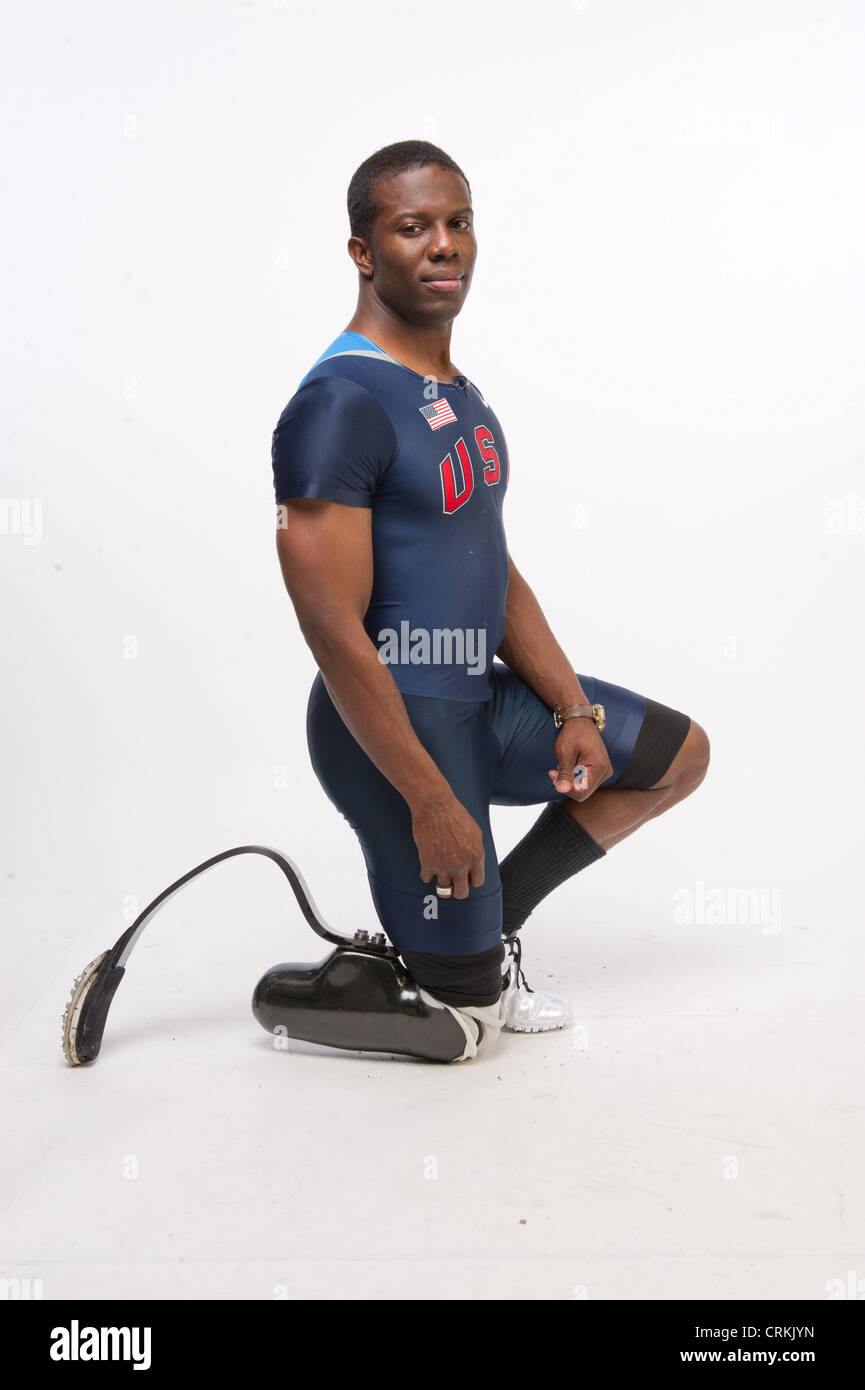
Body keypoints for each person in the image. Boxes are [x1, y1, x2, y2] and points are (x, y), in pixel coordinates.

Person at [269, 140, 710, 1062]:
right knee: (462, 1031)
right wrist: (428, 797)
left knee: (675, 757)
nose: (443, 246)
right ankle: (318, 992)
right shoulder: (339, 402)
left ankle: (483, 931)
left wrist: (569, 706)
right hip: (393, 717)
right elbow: (330, 631)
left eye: (457, 223)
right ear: (362, 252)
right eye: (412, 226)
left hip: (480, 696)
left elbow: (489, 568)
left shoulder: (457, 393)